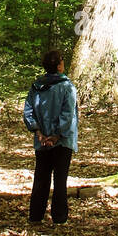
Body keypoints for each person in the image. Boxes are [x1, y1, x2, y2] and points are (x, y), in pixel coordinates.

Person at [23, 49, 79, 225]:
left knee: (41, 177)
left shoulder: (36, 86)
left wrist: (38, 133)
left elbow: (28, 112)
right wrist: (55, 136)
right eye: (62, 61)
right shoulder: (67, 87)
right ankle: (59, 218)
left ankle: (35, 216)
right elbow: (68, 114)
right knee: (59, 179)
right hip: (62, 141)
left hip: (43, 141)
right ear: (59, 65)